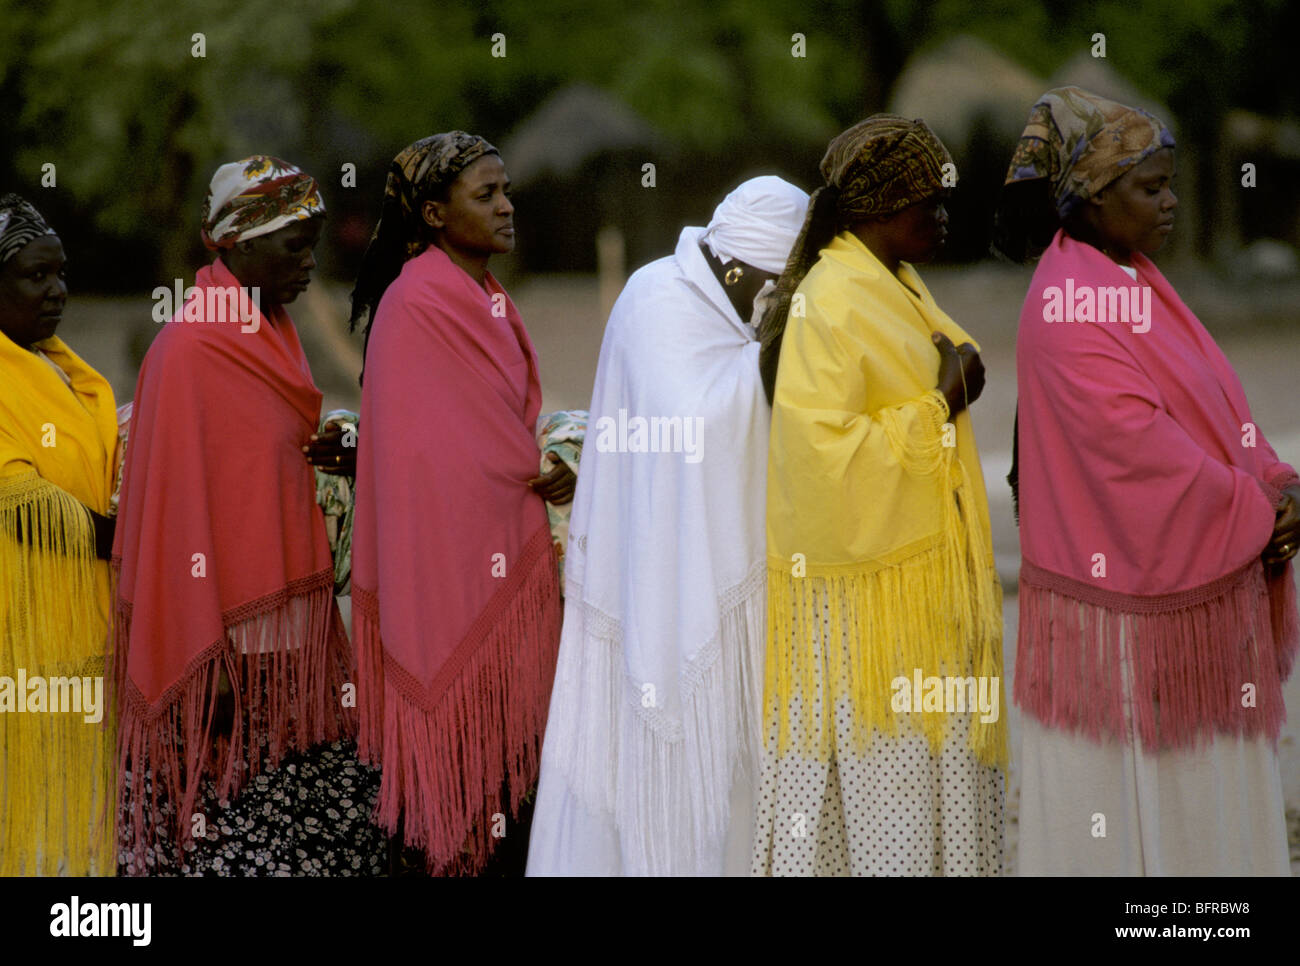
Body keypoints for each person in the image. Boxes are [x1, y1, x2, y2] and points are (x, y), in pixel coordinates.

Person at [996, 87, 1299, 875]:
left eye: (1169, 184)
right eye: (1149, 187)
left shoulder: (1131, 281)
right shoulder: (1070, 303)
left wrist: (1275, 479)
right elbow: (1135, 455)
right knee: (1156, 825)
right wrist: (1255, 510)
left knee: (1192, 818)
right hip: (1128, 634)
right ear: (1091, 197)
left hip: (1177, 610)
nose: (1169, 204)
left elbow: (1215, 404)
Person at [526, 176, 810, 876]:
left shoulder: (727, 317)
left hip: (716, 592)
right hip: (645, 590)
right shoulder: (655, 300)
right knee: (638, 788)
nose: (771, 309)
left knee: (730, 801)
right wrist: (770, 358)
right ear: (736, 264)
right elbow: (693, 431)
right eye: (772, 290)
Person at [113, 157, 385, 876]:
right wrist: (212, 669)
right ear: (236, 244)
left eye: (314, 240)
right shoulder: (190, 350)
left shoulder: (275, 337)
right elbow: (178, 517)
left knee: (323, 841)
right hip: (225, 665)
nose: (310, 260)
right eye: (294, 242)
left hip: (287, 656)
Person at [753, 116, 1005, 876]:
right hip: (872, 604)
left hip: (918, 581)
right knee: (887, 780)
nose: (941, 215)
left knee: (931, 778)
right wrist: (940, 405)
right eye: (926, 201)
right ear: (875, 207)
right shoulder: (830, 298)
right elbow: (820, 454)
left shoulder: (889, 277)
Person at [349, 132, 571, 875]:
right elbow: (438, 461)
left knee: (515, 806)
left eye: (507, 191)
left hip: (506, 578)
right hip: (454, 583)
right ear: (437, 213)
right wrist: (535, 469)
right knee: (460, 806)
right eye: (487, 195)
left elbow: (506, 435)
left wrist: (557, 468)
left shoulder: (488, 297)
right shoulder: (418, 303)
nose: (508, 207)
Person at [0, 194, 117, 875]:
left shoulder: (61, 366)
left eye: (61, 273)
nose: (57, 291)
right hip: (27, 643)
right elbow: (15, 494)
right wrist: (115, 534)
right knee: (37, 827)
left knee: (84, 831)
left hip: (83, 632)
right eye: (35, 276)